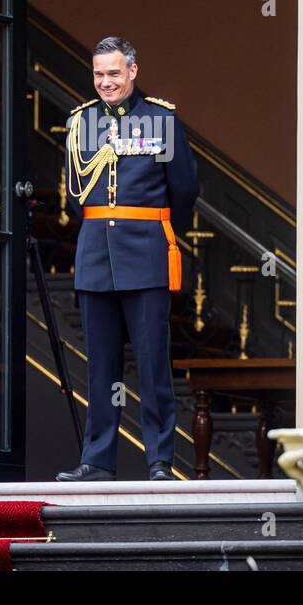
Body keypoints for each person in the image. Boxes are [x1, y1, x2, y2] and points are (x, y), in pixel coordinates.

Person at [56, 36, 199, 482]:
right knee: (100, 368)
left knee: (154, 363)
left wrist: (153, 230)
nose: (105, 82)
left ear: (133, 72)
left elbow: (185, 188)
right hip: (97, 255)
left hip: (146, 253)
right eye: (98, 74)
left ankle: (159, 460)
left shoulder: (161, 118)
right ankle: (97, 460)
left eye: (114, 73)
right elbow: (76, 193)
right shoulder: (81, 122)